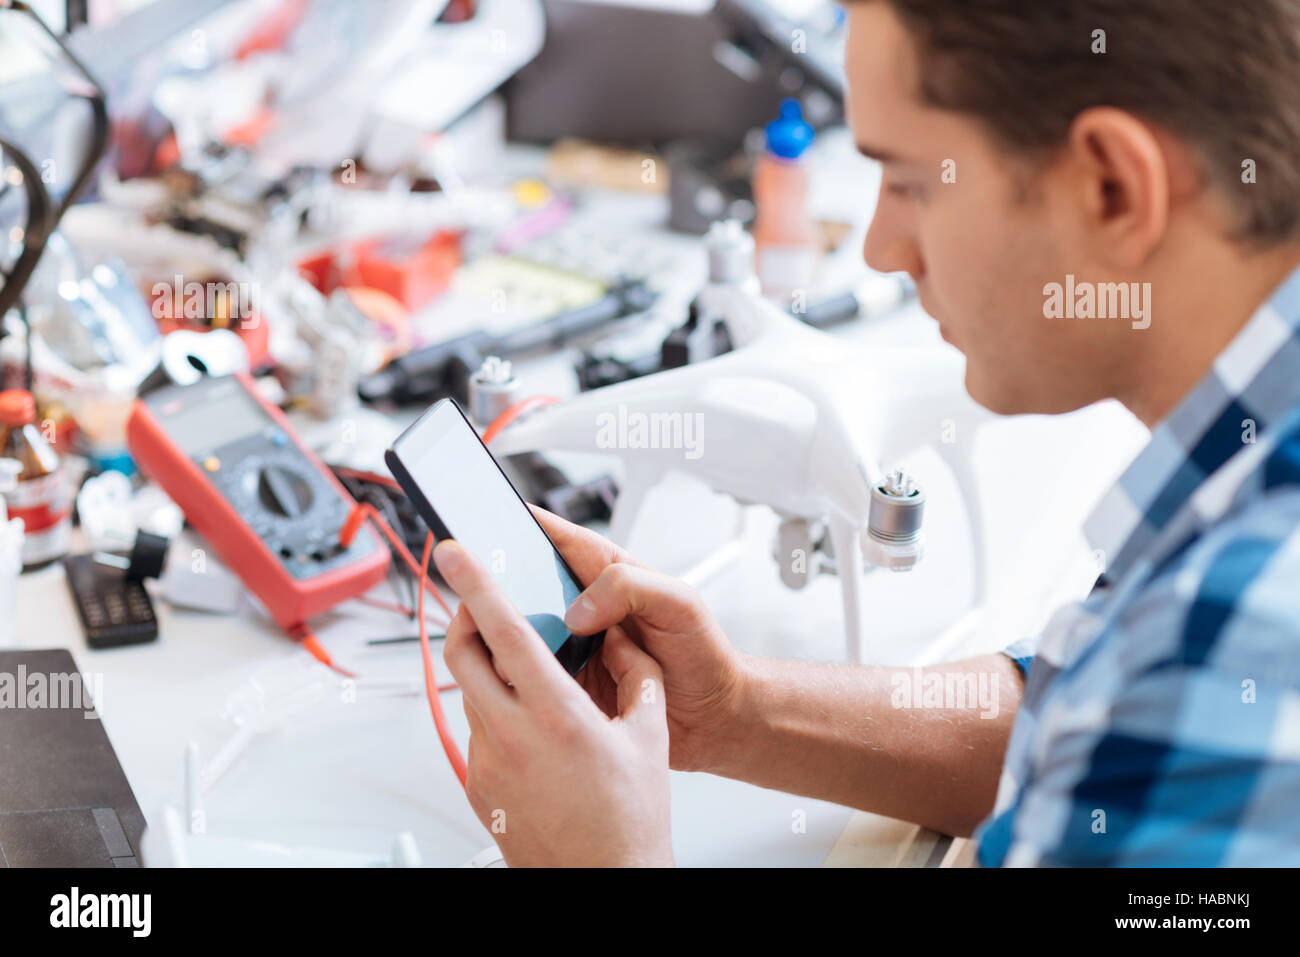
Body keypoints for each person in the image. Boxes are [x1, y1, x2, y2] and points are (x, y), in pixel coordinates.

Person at [431, 0, 1300, 866]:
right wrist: (734, 712)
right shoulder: (1242, 465)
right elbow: (1085, 718)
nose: (881, 248)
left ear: (1112, 188)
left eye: (914, 183)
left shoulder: (1231, 646)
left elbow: (1151, 733)